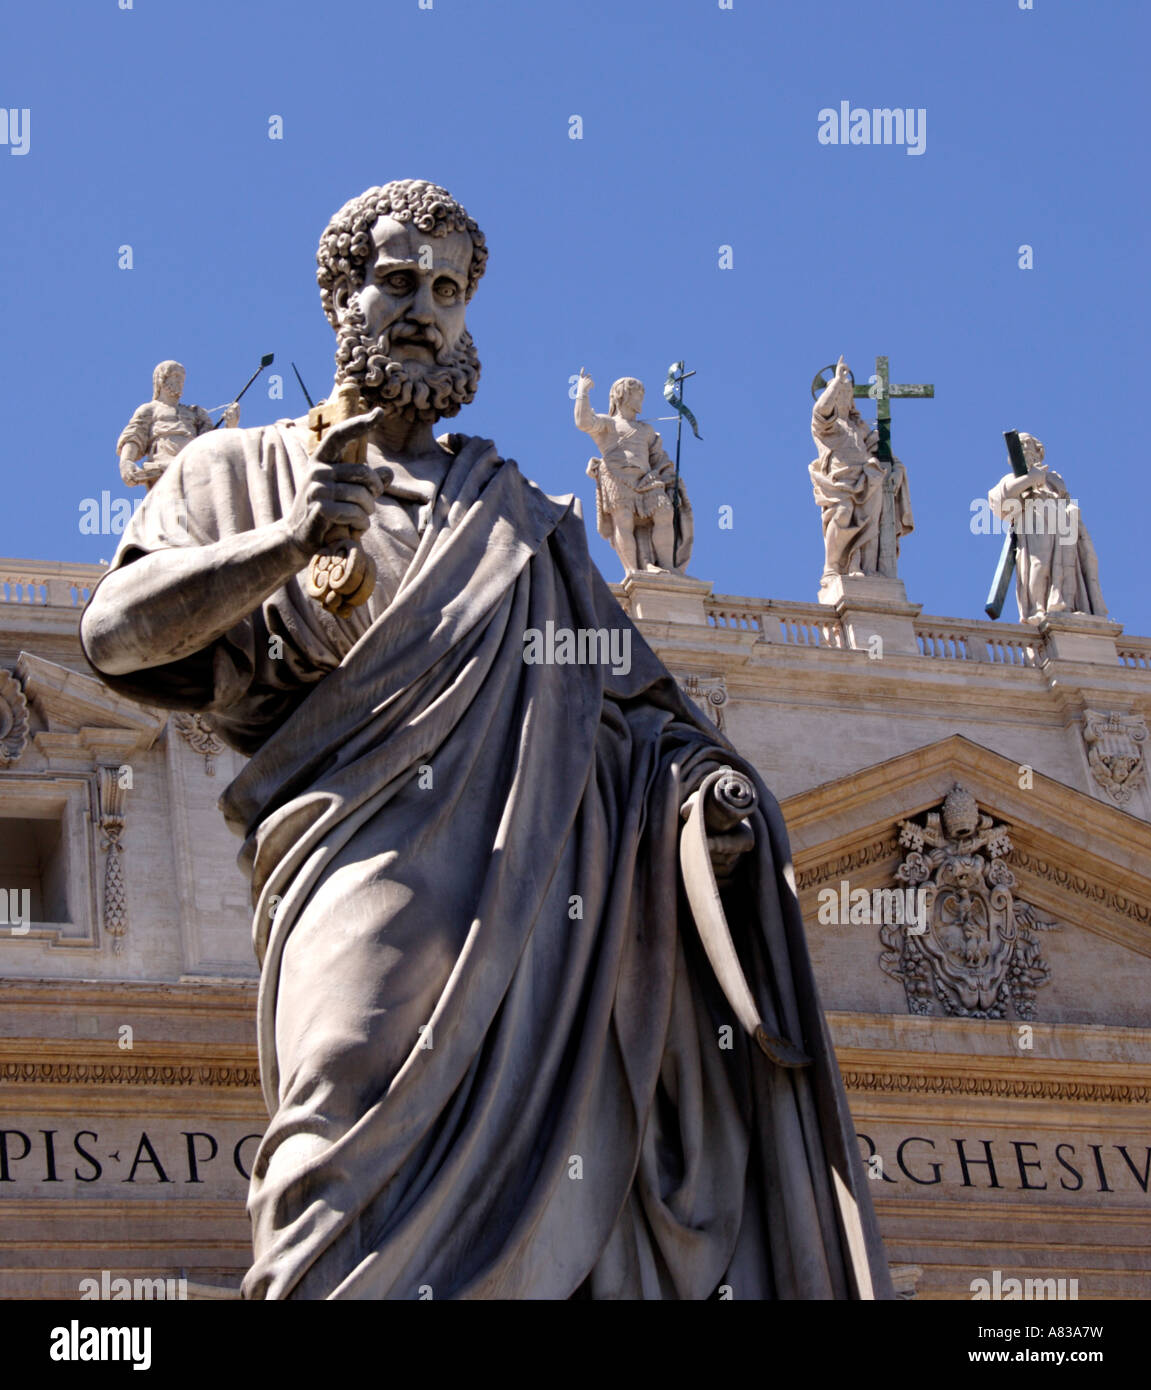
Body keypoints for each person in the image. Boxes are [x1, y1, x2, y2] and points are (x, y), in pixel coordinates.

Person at [80, 180, 891, 1301]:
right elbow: (115, 636)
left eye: (449, 290)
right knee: (340, 1098)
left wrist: (703, 801)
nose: (424, 307)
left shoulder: (519, 519)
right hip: (355, 859)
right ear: (341, 298)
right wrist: (286, 542)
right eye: (399, 280)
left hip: (543, 908)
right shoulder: (236, 471)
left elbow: (643, 716)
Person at [575, 371, 692, 573]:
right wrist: (582, 391)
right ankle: (633, 569)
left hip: (647, 480)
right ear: (624, 395)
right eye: (638, 395)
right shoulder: (608, 423)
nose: (642, 400)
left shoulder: (646, 430)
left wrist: (670, 480)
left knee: (664, 513)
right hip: (616, 477)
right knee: (624, 521)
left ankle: (666, 566)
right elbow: (583, 422)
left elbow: (659, 460)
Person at [810, 356, 912, 585]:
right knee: (843, 512)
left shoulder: (859, 427)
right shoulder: (825, 426)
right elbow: (820, 410)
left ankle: (860, 566)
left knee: (870, 523)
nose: (844, 398)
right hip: (840, 481)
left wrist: (897, 471)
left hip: (869, 480)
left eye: (847, 394)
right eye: (839, 394)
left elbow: (884, 452)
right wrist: (836, 382)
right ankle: (832, 567)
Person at [987, 433, 1107, 622]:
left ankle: (1066, 604)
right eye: (1020, 445)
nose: (1025, 447)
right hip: (1033, 521)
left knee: (1068, 566)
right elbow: (1001, 498)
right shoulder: (1010, 478)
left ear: (1038, 450)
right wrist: (1031, 479)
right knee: (1038, 564)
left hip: (1061, 523)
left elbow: (1064, 495)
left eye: (1028, 443)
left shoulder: (1054, 477)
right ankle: (1037, 609)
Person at [116, 361, 238, 489]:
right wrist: (126, 461)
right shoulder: (150, 409)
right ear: (161, 379)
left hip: (194, 466)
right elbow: (134, 437)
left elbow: (209, 444)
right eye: (175, 375)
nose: (180, 381)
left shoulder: (196, 412)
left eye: (182, 377)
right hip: (162, 467)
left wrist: (230, 426)